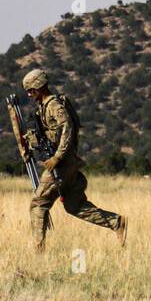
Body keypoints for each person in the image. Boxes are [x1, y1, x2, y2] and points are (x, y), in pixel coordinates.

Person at [21, 69, 128, 251]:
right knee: (74, 205)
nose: (30, 95)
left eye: (31, 90)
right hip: (66, 164)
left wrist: (57, 157)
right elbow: (50, 135)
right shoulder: (43, 108)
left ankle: (38, 252)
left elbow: (67, 129)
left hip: (61, 165)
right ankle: (116, 222)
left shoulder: (54, 106)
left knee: (38, 204)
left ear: (39, 87)